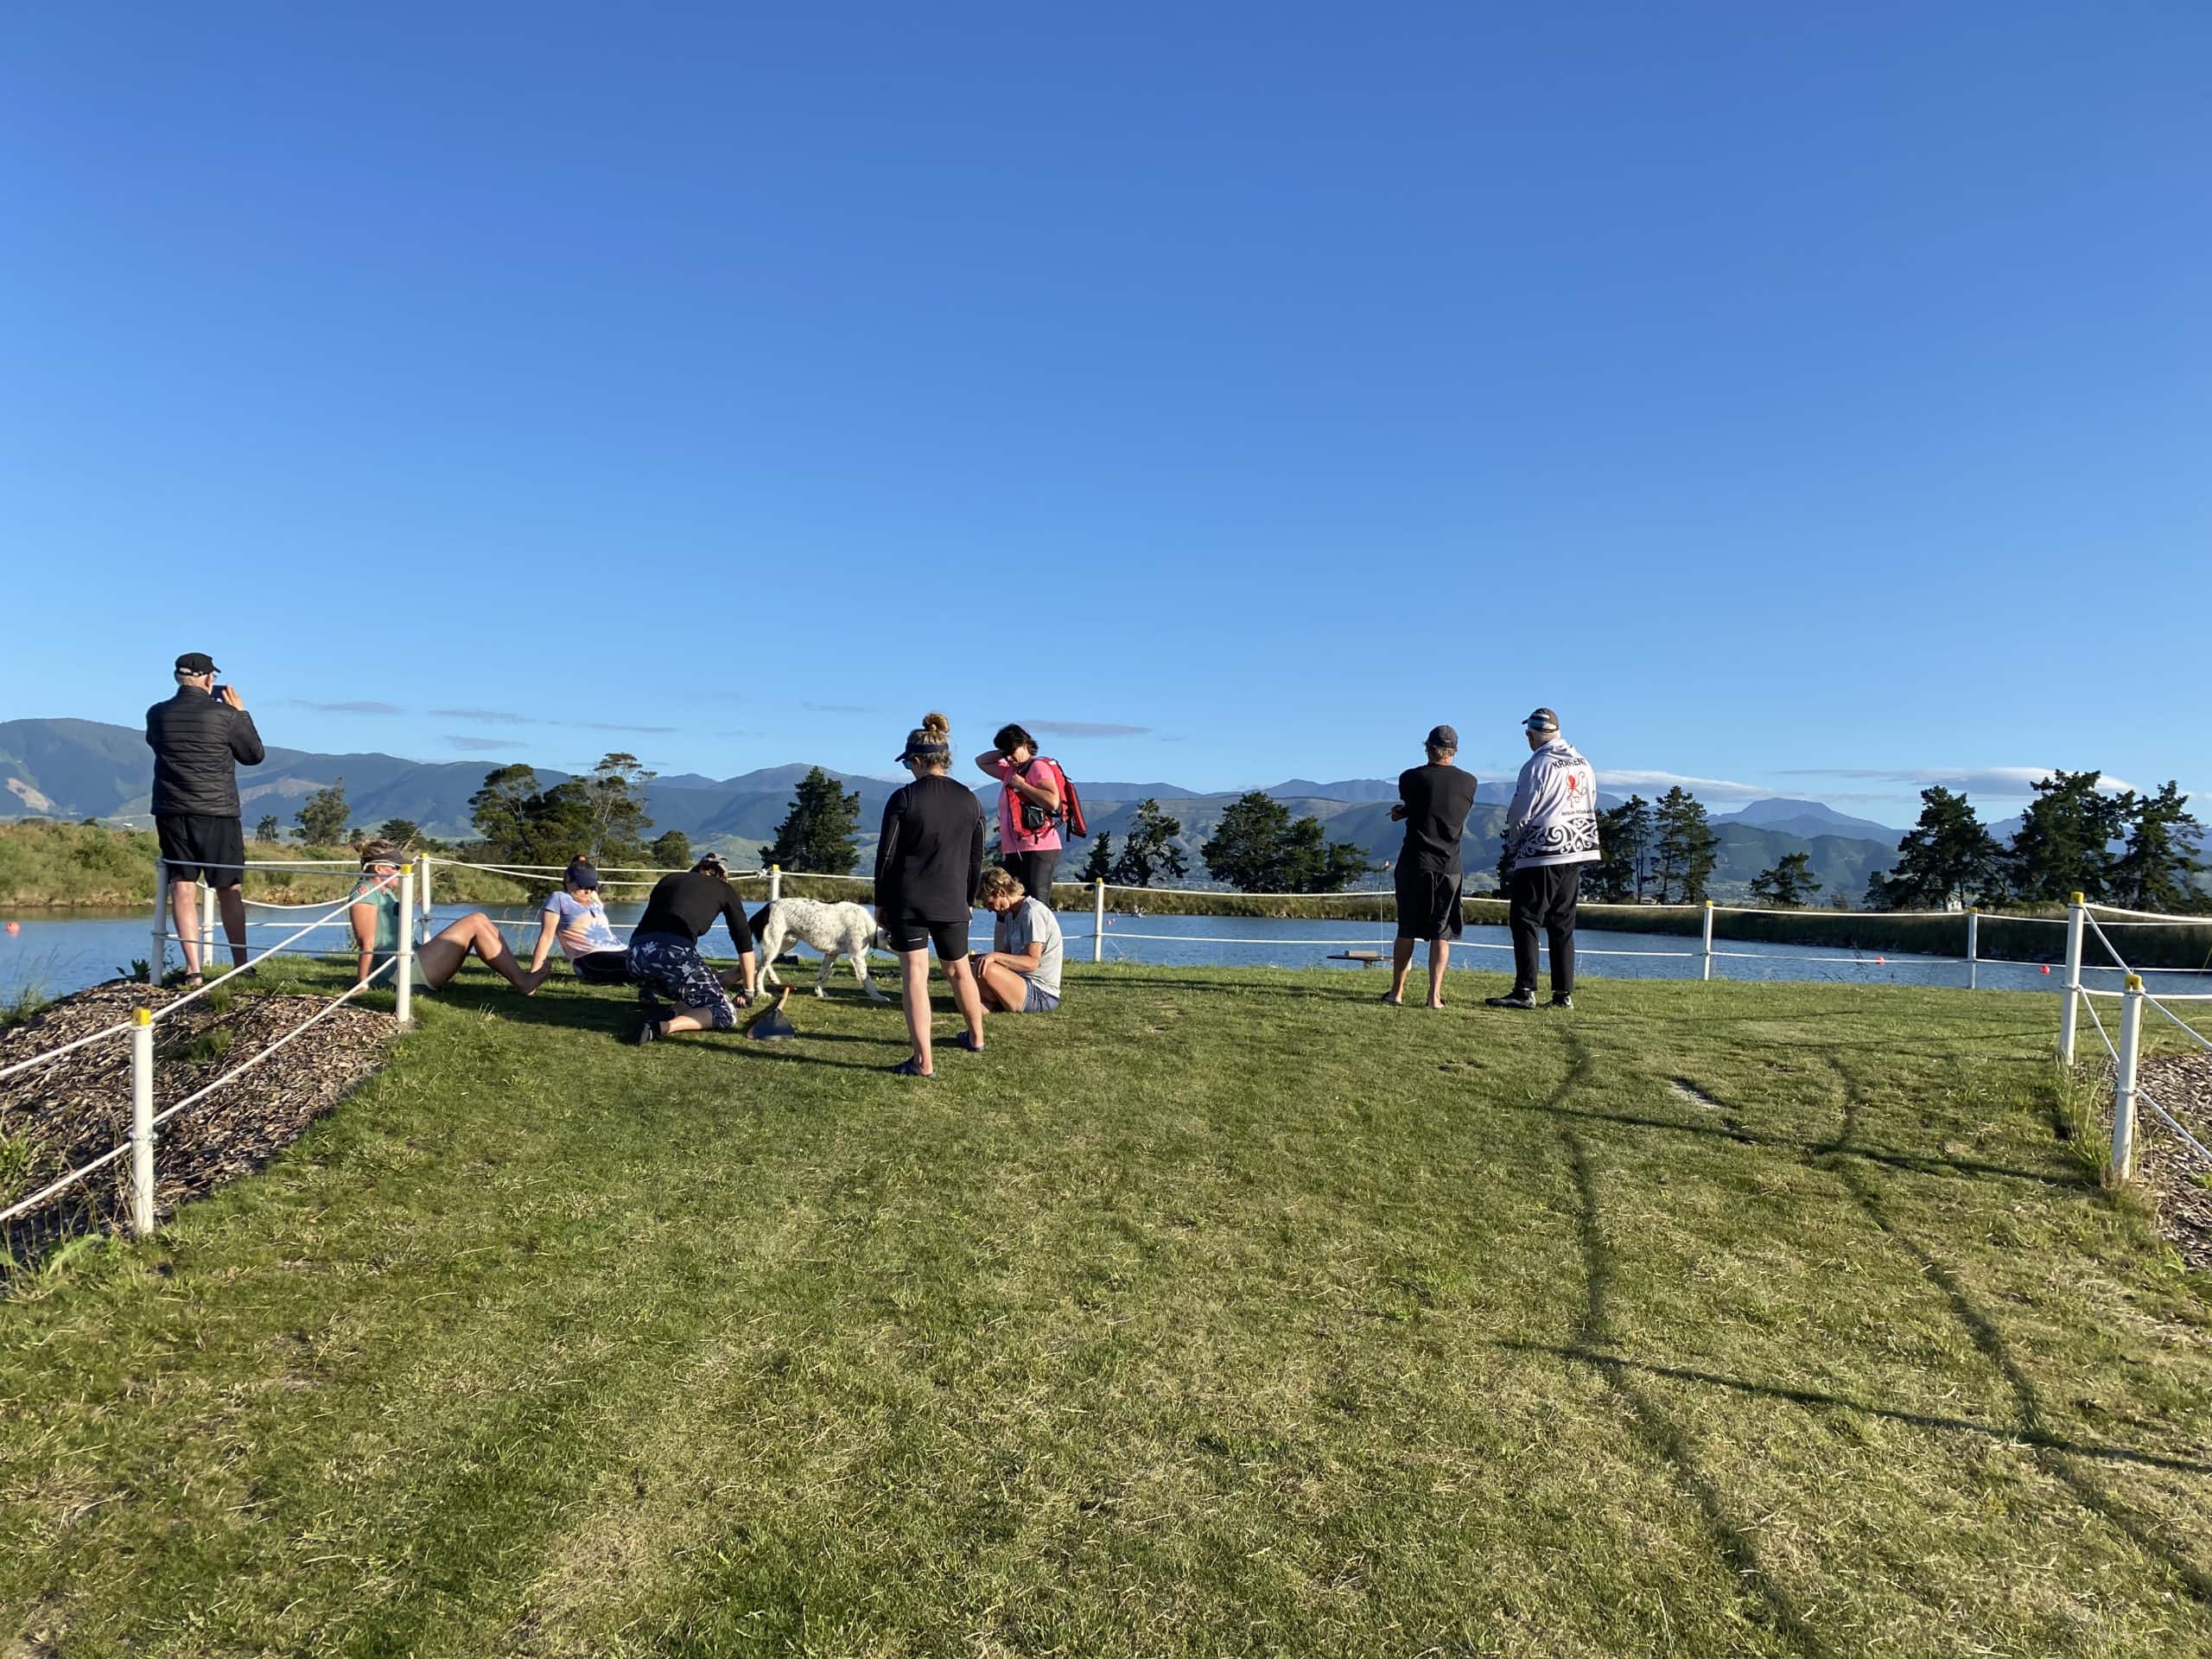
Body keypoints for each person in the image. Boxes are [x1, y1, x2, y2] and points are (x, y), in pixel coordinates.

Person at [145, 652, 265, 984]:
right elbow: (253, 755)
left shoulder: (157, 714)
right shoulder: (226, 715)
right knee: (229, 888)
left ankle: (193, 970)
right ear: (210, 679)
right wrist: (241, 713)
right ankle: (241, 963)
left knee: (182, 887)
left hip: (171, 810)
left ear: (176, 678)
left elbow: (155, 743)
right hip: (218, 811)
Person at [881, 713, 988, 1075]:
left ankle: (923, 1061)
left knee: (915, 974)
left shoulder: (903, 798)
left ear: (915, 761)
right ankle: (976, 1036)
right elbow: (977, 859)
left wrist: (881, 902)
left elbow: (887, 857)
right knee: (960, 971)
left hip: (909, 898)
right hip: (954, 898)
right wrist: (968, 900)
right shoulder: (971, 801)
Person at [1486, 708, 1600, 1011]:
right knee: (1562, 922)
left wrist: (1515, 838)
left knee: (1525, 918)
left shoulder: (1538, 763)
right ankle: (1563, 994)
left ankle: (1525, 989)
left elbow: (1523, 807)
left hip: (1544, 849)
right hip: (1578, 845)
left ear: (1533, 734)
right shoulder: (1582, 761)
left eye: (1528, 734)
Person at [348, 842, 547, 994]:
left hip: (411, 959)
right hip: (396, 974)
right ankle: (523, 982)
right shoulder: (365, 893)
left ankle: (520, 978)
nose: (401, 872)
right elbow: (367, 943)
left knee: (482, 920)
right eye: (396, 867)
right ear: (379, 868)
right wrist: (363, 984)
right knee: (476, 921)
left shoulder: (385, 893)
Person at [1385, 724, 1477, 1008]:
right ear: (1455, 751)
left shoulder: (1410, 778)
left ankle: (1397, 992)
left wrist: (1402, 813)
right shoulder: (1469, 782)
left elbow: (1418, 803)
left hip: (1416, 862)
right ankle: (1434, 996)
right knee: (1442, 932)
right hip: (1449, 864)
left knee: (1407, 928)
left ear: (1428, 748)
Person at [628, 853, 760, 1045]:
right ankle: (659, 1027)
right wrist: (749, 992)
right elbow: (744, 945)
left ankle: (663, 1003)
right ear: (722, 876)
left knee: (697, 982)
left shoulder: (669, 880)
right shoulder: (724, 889)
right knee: (725, 1012)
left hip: (635, 956)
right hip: (674, 955)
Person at [972, 723, 1065, 903]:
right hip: (1016, 848)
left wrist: (1022, 785)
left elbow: (1053, 801)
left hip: (1039, 846)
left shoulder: (1038, 767)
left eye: (1011, 751)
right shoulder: (1010, 771)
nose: (1008, 757)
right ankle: (1014, 932)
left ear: (1024, 745)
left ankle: (1041, 932)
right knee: (1013, 903)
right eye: (1004, 753)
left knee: (1035, 903)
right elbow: (981, 761)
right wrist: (1005, 751)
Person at [974, 866, 1064, 1014]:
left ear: (1001, 892)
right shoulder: (1011, 915)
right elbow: (1007, 955)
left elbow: (1032, 962)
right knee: (974, 966)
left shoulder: (1032, 913)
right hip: (1021, 983)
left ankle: (991, 1003)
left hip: (1041, 993)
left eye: (990, 903)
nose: (989, 909)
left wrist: (993, 956)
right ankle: (989, 1004)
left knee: (986, 969)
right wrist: (974, 958)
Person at [528, 858, 632, 985]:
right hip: (589, 957)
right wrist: (534, 974)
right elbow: (546, 937)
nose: (588, 891)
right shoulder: (559, 899)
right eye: (583, 885)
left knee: (651, 960)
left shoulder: (594, 904)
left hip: (619, 950)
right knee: (639, 967)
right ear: (568, 881)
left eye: (592, 887)